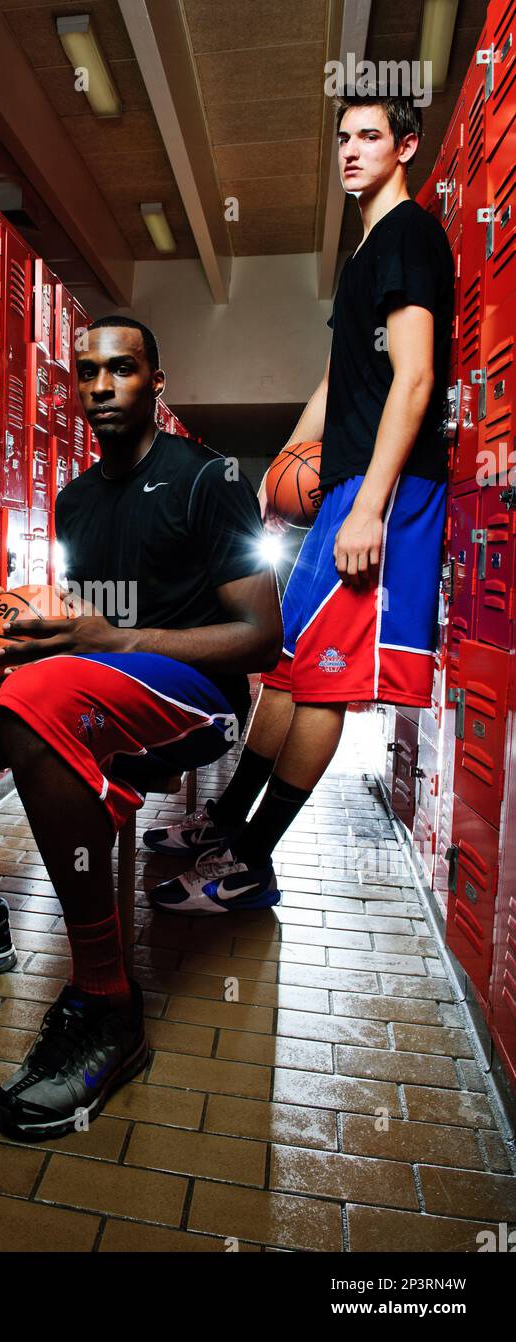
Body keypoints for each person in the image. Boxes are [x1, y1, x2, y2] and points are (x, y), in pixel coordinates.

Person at [0, 315, 282, 1140]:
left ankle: (109, 1005)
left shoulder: (205, 478)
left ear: (157, 383)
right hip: (94, 671)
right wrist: (16, 633)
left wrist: (114, 642)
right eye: (86, 374)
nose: (100, 387)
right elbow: (83, 617)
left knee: (41, 701)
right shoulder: (74, 499)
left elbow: (262, 636)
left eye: (121, 370)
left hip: (198, 698)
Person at [145, 95, 454, 916]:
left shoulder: (410, 237)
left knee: (323, 683)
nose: (351, 151)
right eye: (344, 139)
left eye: (370, 137)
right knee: (283, 668)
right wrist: (276, 472)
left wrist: (368, 508)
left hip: (386, 491)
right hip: (346, 486)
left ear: (406, 147)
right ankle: (225, 824)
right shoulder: (362, 257)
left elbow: (414, 377)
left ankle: (250, 861)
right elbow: (336, 381)